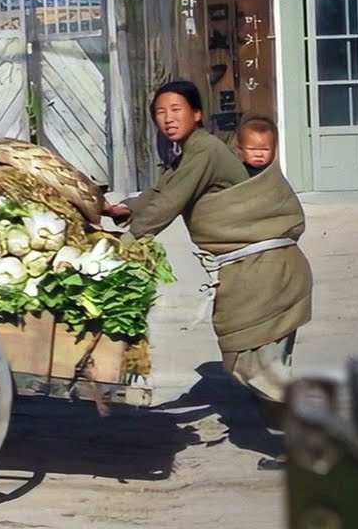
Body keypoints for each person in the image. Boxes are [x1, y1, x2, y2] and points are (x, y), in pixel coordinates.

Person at [100, 81, 313, 470]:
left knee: (257, 366)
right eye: (161, 112)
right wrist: (123, 209)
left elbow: (168, 203)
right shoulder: (189, 155)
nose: (168, 119)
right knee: (255, 365)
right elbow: (161, 191)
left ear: (197, 114)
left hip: (264, 272)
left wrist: (123, 242)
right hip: (253, 273)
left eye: (177, 109)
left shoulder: (204, 151)